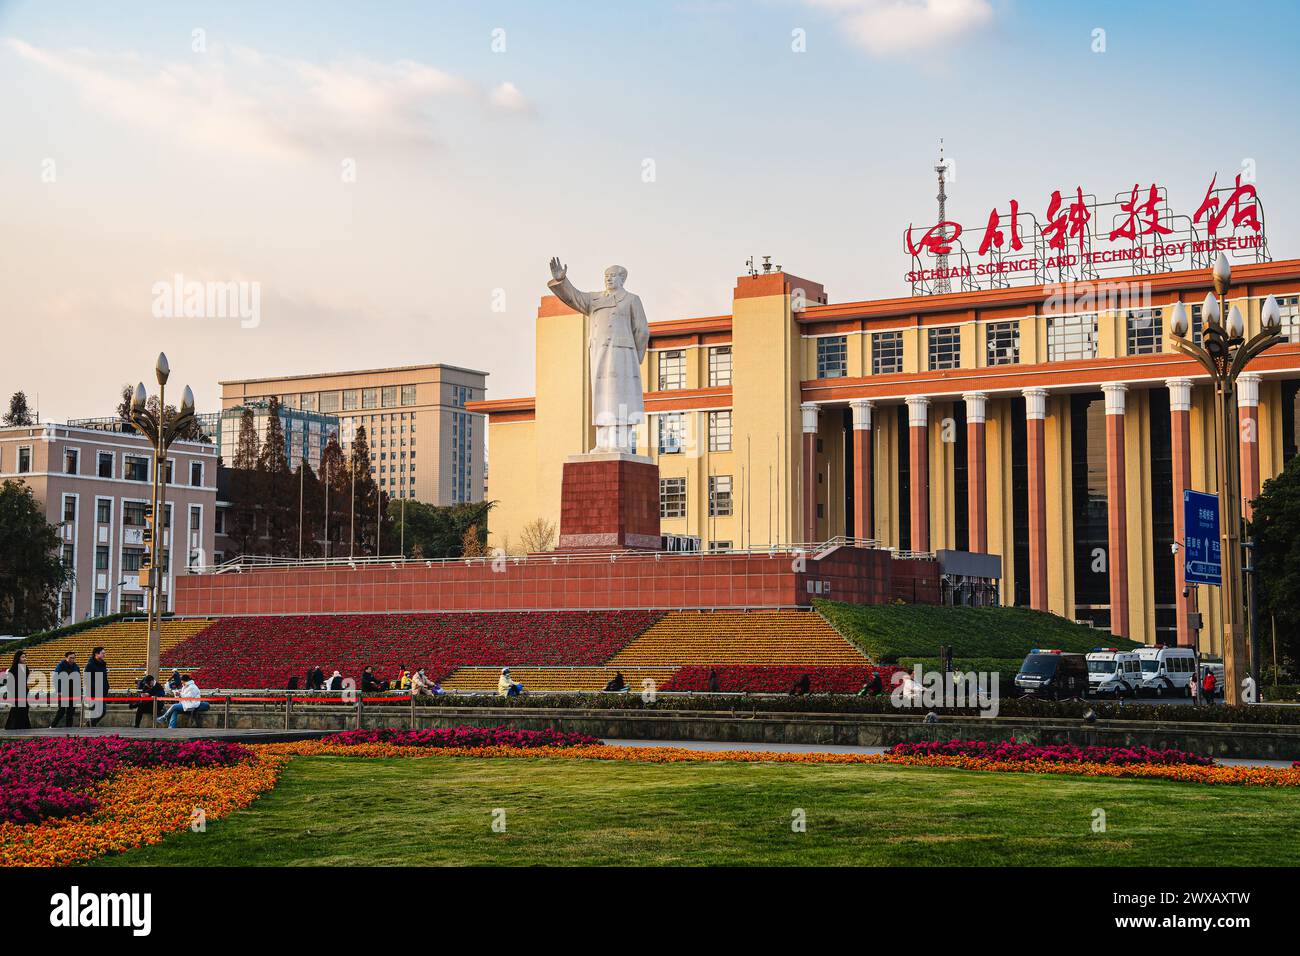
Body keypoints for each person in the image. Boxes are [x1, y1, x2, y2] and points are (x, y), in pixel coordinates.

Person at [51, 651, 81, 728]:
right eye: (70, 658)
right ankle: (52, 726)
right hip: (63, 691)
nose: (72, 659)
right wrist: (59, 690)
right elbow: (55, 678)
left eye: (74, 658)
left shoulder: (76, 666)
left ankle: (69, 728)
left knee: (71, 711)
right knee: (61, 710)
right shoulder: (61, 665)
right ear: (66, 658)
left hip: (73, 692)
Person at [4, 650, 31, 730]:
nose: (25, 659)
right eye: (23, 657)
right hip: (16, 692)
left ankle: (23, 726)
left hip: (24, 691)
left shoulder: (25, 667)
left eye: (25, 657)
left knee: (25, 708)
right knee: (16, 709)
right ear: (18, 658)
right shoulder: (13, 668)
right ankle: (13, 726)